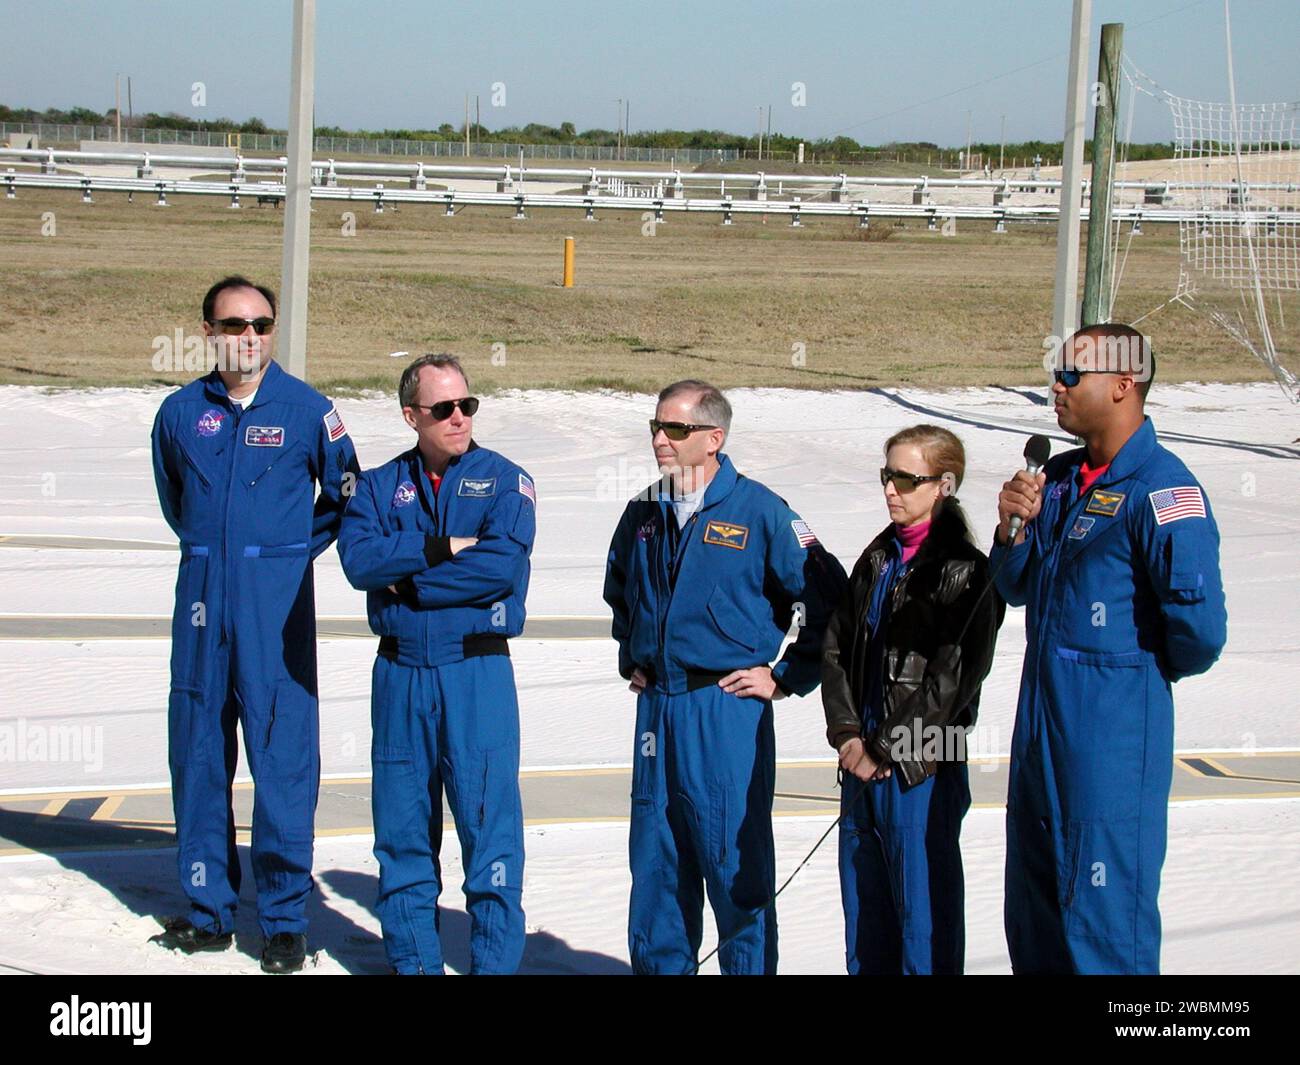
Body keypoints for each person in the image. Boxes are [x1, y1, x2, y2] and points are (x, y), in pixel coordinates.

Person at [993, 324, 1227, 974]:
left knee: (1101, 940)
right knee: (1035, 930)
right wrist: (1011, 528)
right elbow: (1014, 587)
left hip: (1108, 755)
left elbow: (1199, 632)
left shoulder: (1163, 491)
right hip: (1040, 745)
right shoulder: (1061, 479)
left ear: (1124, 384)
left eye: (1073, 374)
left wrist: (1127, 682)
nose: (1056, 387)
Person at [150, 275, 359, 973]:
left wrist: (286, 554)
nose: (250, 336)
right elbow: (176, 499)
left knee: (284, 764)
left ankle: (281, 920)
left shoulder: (309, 411)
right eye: (235, 324)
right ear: (207, 332)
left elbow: (346, 494)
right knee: (200, 755)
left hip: (277, 613)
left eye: (262, 324)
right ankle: (207, 911)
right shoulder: (181, 413)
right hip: (203, 609)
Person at [603, 379, 848, 975]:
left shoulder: (761, 511)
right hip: (658, 707)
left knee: (733, 864)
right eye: (656, 427)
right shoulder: (643, 510)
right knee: (658, 865)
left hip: (725, 709)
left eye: (677, 429)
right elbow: (619, 591)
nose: (661, 439)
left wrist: (787, 676)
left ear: (714, 438)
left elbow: (829, 598)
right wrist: (633, 657)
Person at [337, 353, 535, 975]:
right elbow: (360, 564)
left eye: (467, 406)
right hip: (398, 675)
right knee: (401, 837)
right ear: (411, 416)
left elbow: (500, 568)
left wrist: (413, 584)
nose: (459, 418)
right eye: (443, 409)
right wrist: (439, 547)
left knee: (489, 834)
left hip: (475, 673)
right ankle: (415, 965)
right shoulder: (374, 486)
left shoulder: (506, 481)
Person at [821, 425, 1004, 975]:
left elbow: (954, 680)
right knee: (867, 913)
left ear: (943, 485)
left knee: (923, 918)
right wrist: (849, 735)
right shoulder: (877, 558)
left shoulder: (966, 571)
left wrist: (886, 749)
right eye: (887, 475)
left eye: (906, 478)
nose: (891, 489)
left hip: (922, 760)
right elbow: (836, 647)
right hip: (863, 757)